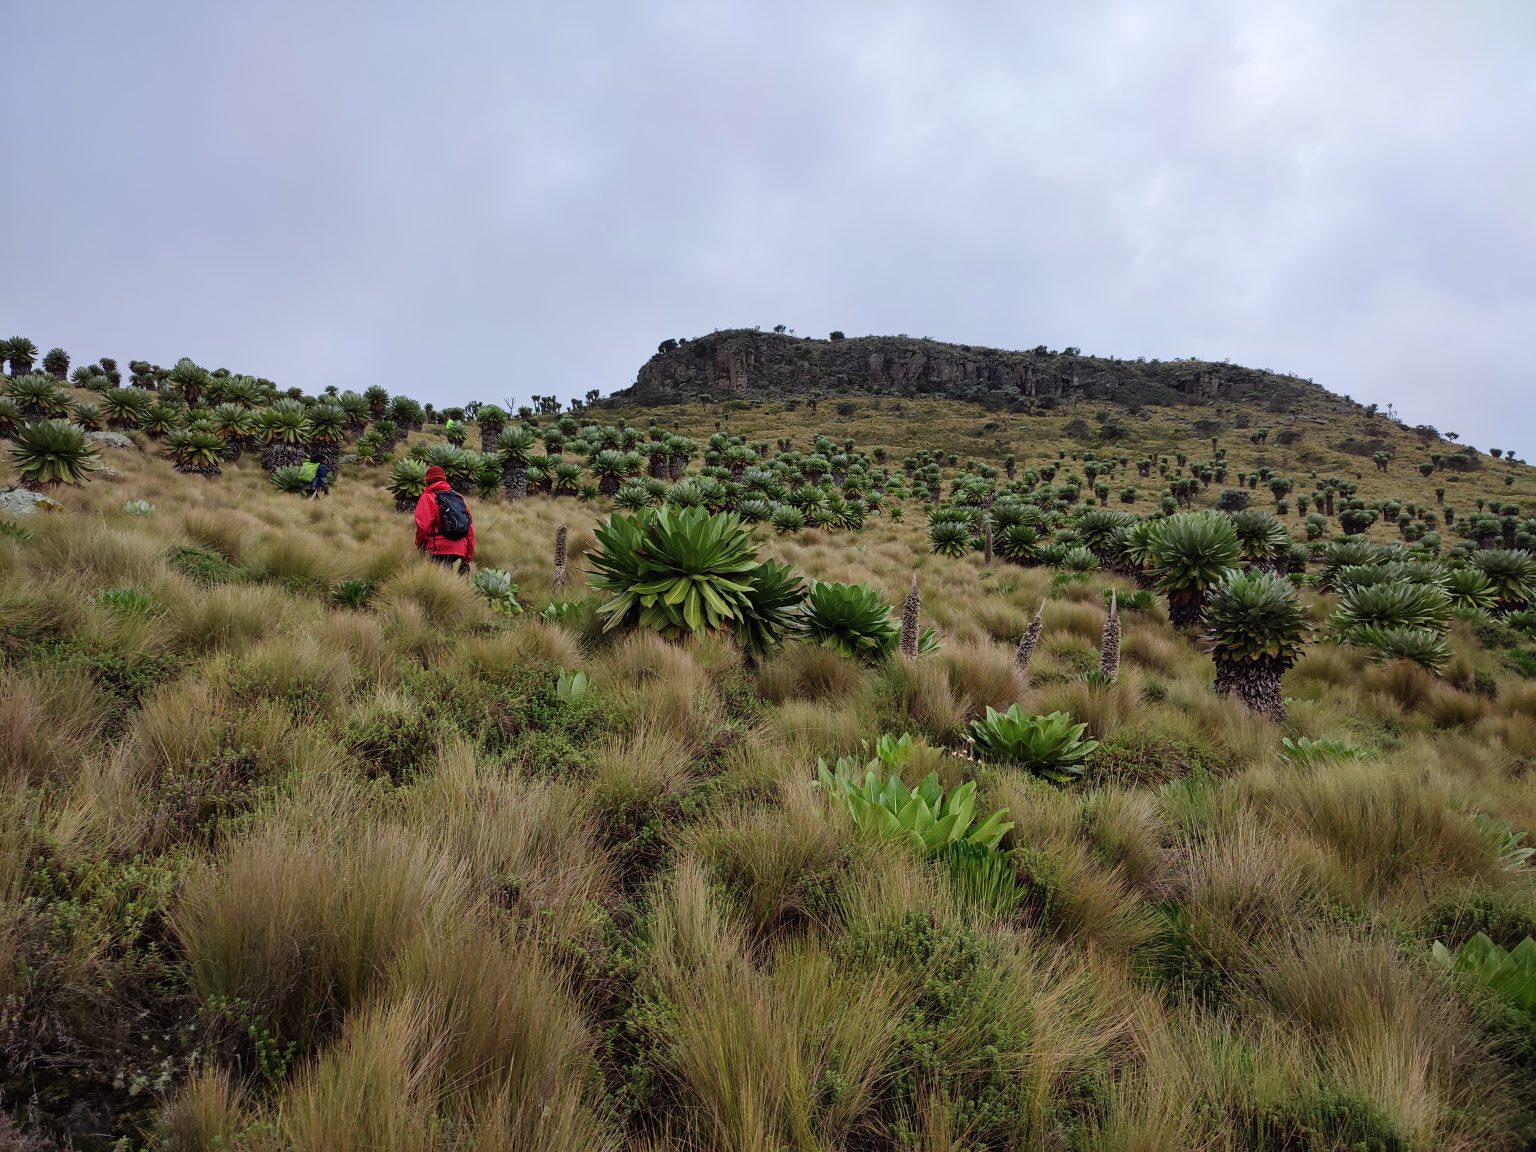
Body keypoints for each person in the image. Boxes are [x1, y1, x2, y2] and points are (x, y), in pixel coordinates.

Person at [414, 464, 475, 573]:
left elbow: (423, 527)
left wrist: (420, 545)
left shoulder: (428, 496)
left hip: (439, 548)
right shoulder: (459, 497)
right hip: (459, 548)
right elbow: (469, 529)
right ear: (444, 478)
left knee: (437, 583)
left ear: (427, 480)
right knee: (448, 579)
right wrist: (467, 558)